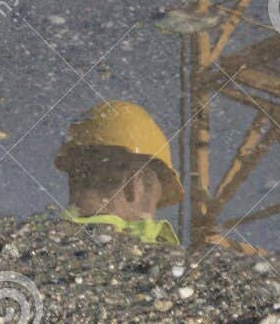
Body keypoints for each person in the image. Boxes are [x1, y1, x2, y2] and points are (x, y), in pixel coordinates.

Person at [54, 101, 184, 245]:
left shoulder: (43, 240)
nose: (153, 211)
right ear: (133, 182)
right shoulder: (148, 252)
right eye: (154, 191)